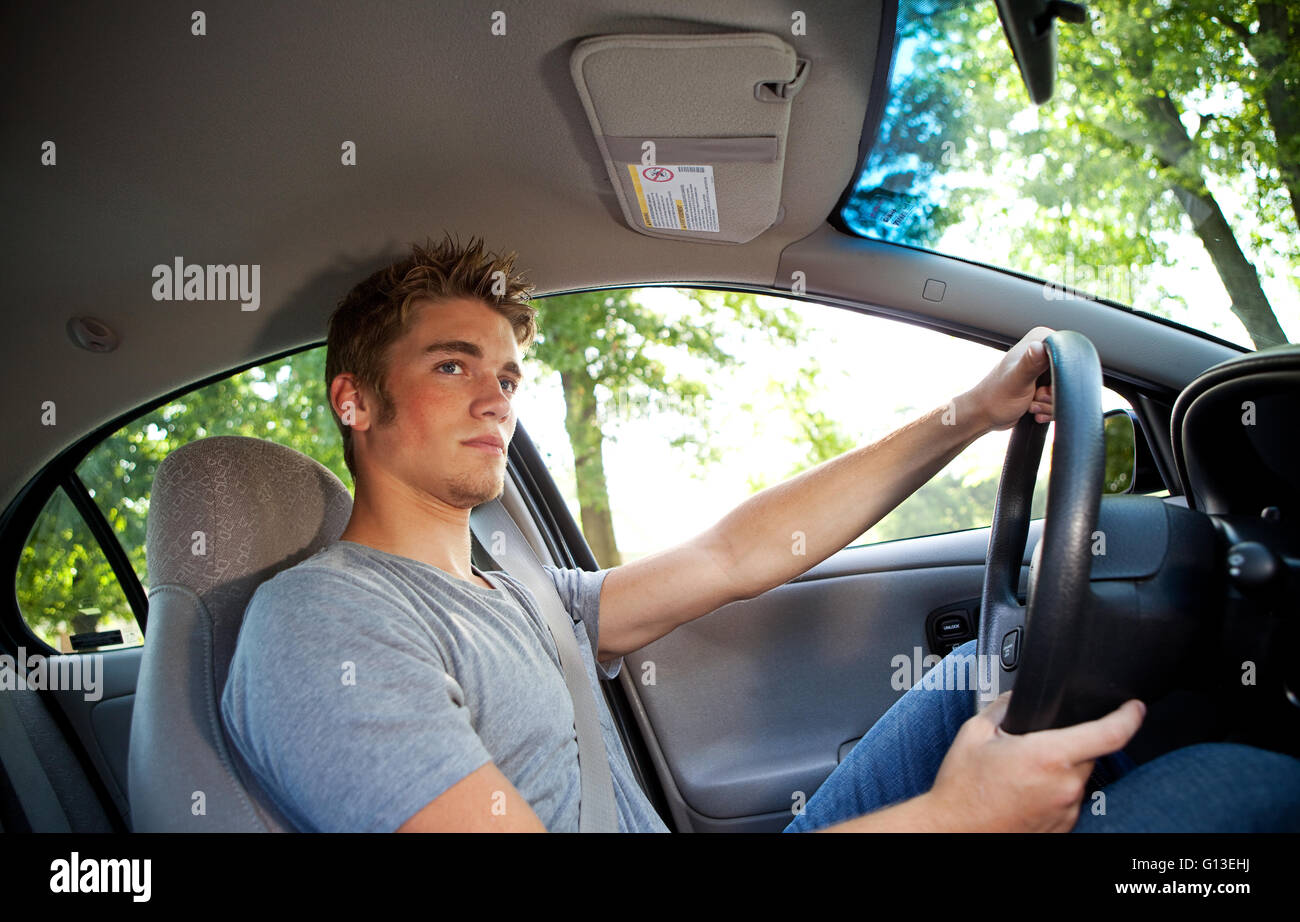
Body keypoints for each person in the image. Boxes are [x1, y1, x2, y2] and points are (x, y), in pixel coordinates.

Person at [220, 233, 1300, 832]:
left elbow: (738, 553)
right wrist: (951, 822)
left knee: (997, 667)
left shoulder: (521, 590)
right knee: (1250, 793)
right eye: (453, 364)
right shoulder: (323, 625)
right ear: (353, 400)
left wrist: (970, 414)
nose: (496, 395)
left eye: (507, 374)